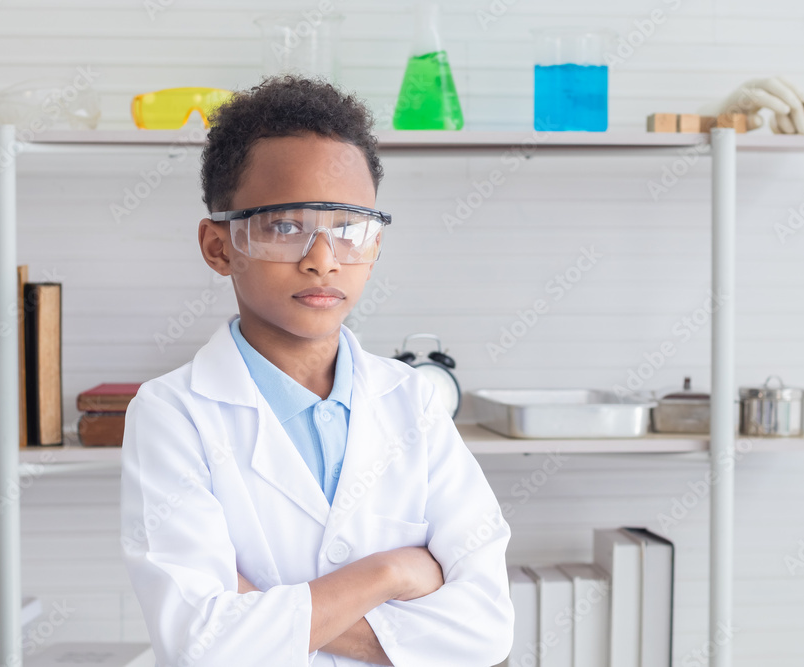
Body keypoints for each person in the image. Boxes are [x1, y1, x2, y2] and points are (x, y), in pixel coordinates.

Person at [119, 74, 515, 667]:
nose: (323, 261)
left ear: (374, 245)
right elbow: (202, 646)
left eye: (348, 229)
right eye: (285, 226)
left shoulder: (414, 402)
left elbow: (485, 632)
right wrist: (390, 571)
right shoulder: (171, 414)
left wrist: (264, 611)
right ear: (218, 247)